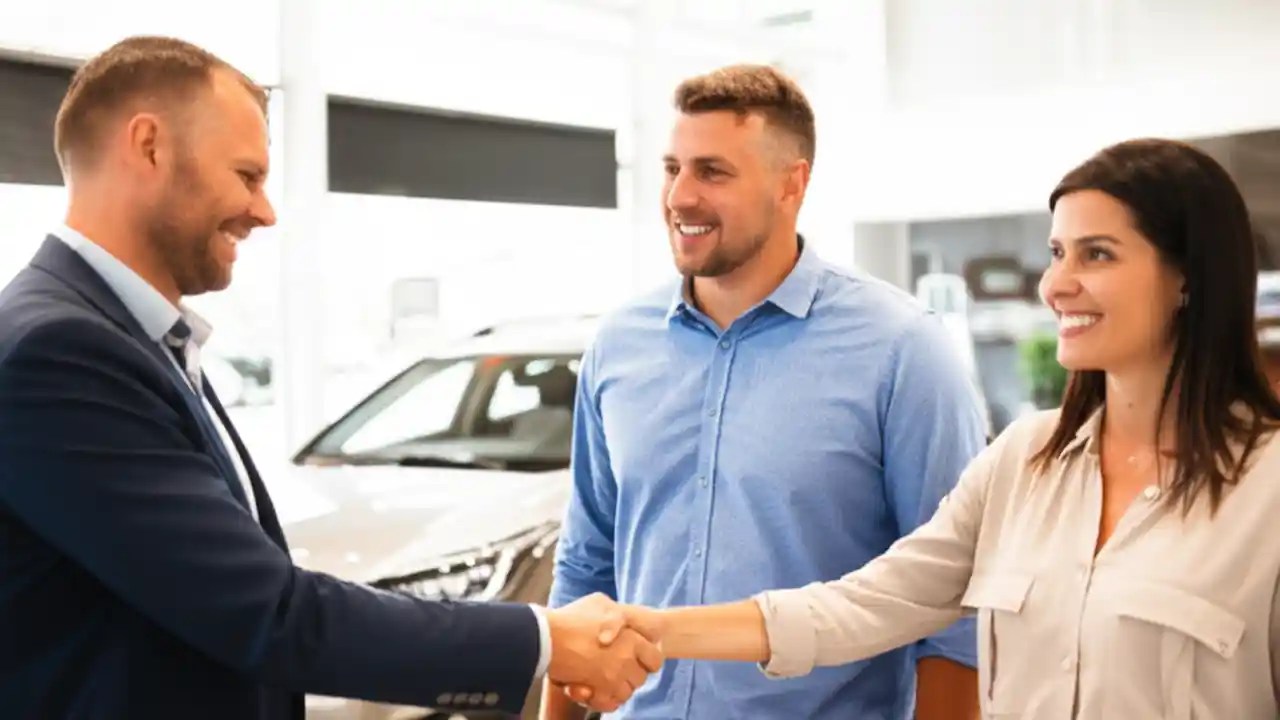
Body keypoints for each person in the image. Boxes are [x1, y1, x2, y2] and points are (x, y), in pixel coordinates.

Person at [0, 35, 661, 720]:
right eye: (248, 175)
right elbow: (269, 613)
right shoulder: (61, 349)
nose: (265, 210)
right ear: (149, 147)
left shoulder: (125, 336)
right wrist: (544, 639)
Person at [598, 138, 1280, 719]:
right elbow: (862, 605)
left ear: (1188, 278)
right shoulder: (1023, 462)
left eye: (1096, 255)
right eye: (1057, 253)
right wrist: (655, 626)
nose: (1056, 285)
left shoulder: (1267, 491)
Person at [543, 64, 986, 719]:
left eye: (712, 172)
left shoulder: (902, 350)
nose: (680, 197)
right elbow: (587, 564)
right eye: (672, 169)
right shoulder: (619, 344)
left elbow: (954, 602)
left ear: (793, 183)